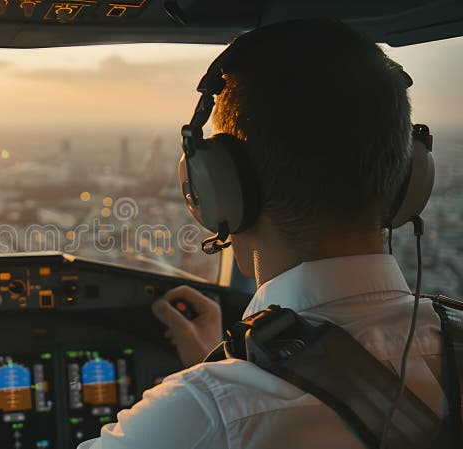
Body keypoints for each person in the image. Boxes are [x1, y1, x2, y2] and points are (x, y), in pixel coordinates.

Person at [78, 19, 445, 449]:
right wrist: (228, 362)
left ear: (217, 192)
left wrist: (213, 388)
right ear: (408, 182)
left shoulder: (206, 415)